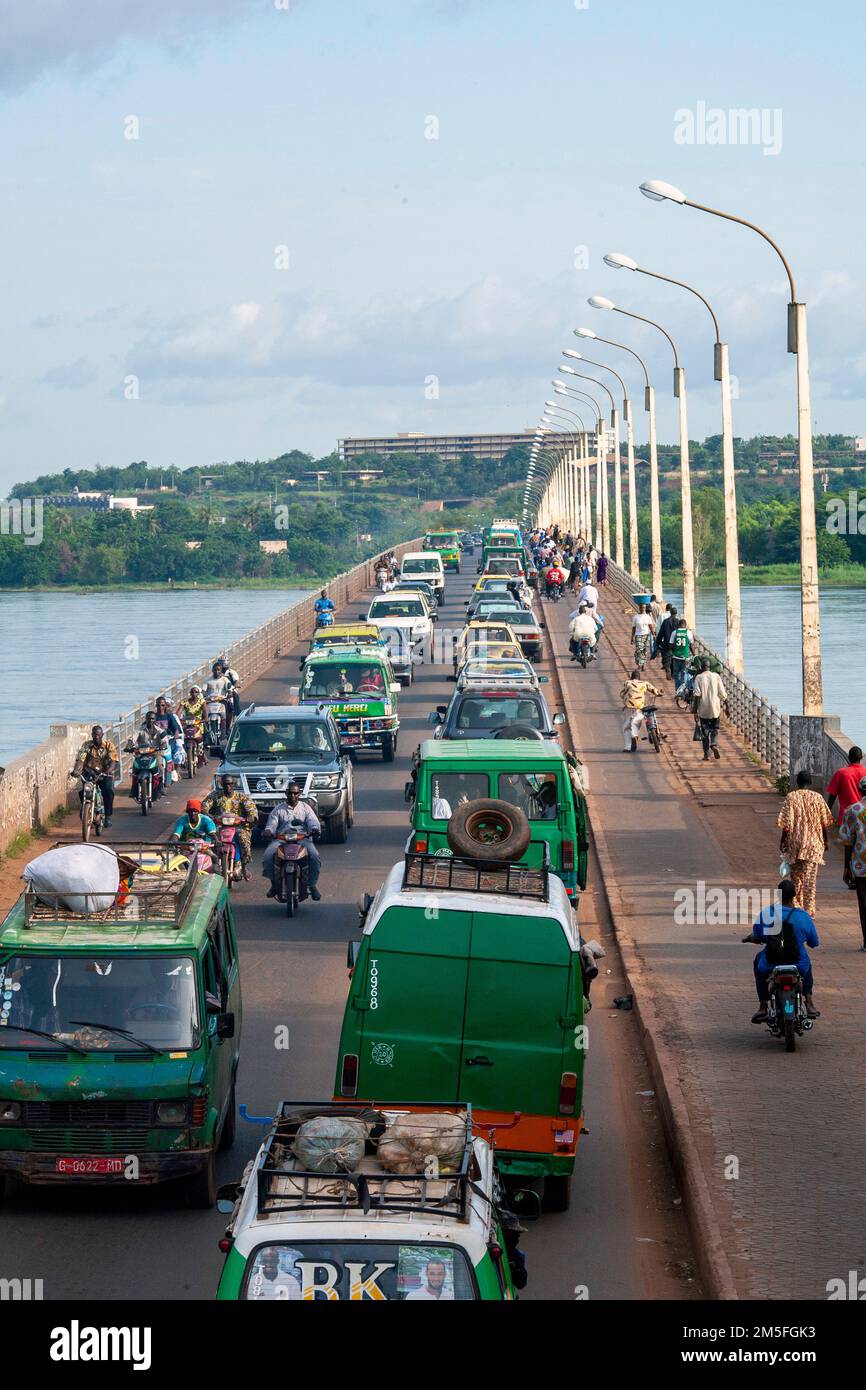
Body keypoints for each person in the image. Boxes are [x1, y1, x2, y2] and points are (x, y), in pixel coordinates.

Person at [745, 878, 819, 1023]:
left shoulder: (767, 913)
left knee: (758, 962)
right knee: (807, 963)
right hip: (797, 962)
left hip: (771, 961)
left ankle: (762, 1006)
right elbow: (814, 942)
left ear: (778, 895)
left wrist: (751, 938)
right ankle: (809, 1002)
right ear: (795, 894)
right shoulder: (803, 916)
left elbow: (758, 935)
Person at [777, 770, 834, 918]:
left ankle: (796, 908)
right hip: (814, 846)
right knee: (810, 880)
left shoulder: (791, 797)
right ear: (810, 783)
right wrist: (826, 841)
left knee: (796, 879)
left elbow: (786, 824)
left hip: (795, 844)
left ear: (797, 782)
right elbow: (824, 823)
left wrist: (783, 840)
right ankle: (809, 912)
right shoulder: (818, 798)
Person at [262, 781, 322, 900]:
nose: (292, 796)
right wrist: (268, 831)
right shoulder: (278, 809)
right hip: (281, 839)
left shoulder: (306, 808)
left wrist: (314, 829)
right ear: (286, 793)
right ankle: (274, 884)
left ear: (299, 794)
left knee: (314, 855)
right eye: (290, 793)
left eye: (295, 793)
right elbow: (271, 825)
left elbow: (313, 822)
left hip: (302, 839)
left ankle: (313, 885)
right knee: (268, 855)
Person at [203, 775, 259, 881]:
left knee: (243, 838)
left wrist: (250, 817)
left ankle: (244, 866)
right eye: (225, 784)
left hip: (239, 826)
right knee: (209, 840)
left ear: (233, 784)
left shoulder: (242, 797)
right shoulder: (215, 796)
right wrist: (207, 814)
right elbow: (205, 805)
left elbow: (252, 809)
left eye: (229, 784)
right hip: (219, 826)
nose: (227, 786)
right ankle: (210, 864)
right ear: (221, 785)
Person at [71, 724, 119, 828]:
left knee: (108, 791)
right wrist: (76, 770)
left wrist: (109, 771)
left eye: (98, 735)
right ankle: (85, 809)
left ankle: (108, 816)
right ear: (92, 735)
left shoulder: (108, 745)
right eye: (94, 734)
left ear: (102, 734)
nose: (96, 737)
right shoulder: (86, 745)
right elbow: (80, 759)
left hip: (104, 773)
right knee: (84, 790)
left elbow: (113, 761)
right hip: (89, 772)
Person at [839, 776, 866, 948]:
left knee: (864, 904)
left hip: (860, 865)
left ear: (860, 790)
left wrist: (846, 867)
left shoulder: (853, 810)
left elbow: (848, 841)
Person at [691, 657, 729, 761]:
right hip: (715, 709)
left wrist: (694, 711)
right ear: (710, 667)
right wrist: (727, 707)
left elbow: (697, 695)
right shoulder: (716, 676)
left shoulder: (698, 678)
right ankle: (714, 743)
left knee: (704, 733)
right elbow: (722, 693)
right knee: (714, 729)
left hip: (703, 709)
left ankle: (706, 754)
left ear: (701, 668)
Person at [620, 669, 663, 752]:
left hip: (629, 707)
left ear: (631, 677)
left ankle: (627, 747)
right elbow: (655, 691)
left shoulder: (627, 683)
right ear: (639, 678)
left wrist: (624, 699)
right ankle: (634, 735)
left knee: (626, 727)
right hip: (639, 707)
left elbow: (622, 694)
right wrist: (659, 693)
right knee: (636, 723)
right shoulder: (644, 683)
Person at [827, 746, 866, 826]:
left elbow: (832, 797)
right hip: (863, 819)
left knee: (845, 838)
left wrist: (827, 814)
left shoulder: (841, 773)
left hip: (846, 819)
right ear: (861, 757)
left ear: (849, 757)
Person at [153, 695, 184, 778]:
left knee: (174, 752)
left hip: (167, 741)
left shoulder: (169, 716)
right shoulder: (153, 717)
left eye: (162, 705)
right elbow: (145, 728)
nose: (160, 707)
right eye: (158, 705)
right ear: (156, 706)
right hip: (155, 742)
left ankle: (174, 771)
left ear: (165, 706)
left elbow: (175, 728)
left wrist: (176, 735)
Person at [203, 662, 233, 742]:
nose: (217, 671)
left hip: (222, 700)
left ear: (221, 671)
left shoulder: (225, 680)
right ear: (212, 670)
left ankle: (226, 729)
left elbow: (229, 689)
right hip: (209, 701)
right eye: (215, 670)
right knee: (202, 713)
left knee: (229, 710)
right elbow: (203, 690)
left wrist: (229, 694)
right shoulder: (208, 680)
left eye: (218, 670)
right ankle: (204, 732)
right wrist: (202, 695)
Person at [670, 618, 694, 693]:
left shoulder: (674, 632)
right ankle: (684, 691)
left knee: (676, 674)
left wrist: (675, 649)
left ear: (678, 625)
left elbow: (670, 644)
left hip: (676, 656)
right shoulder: (688, 632)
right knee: (684, 673)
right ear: (685, 625)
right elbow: (691, 644)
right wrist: (694, 654)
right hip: (685, 657)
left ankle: (677, 691)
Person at [655, 605, 678, 681]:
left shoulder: (665, 621)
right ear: (676, 613)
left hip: (666, 643)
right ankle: (672, 673)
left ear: (670, 612)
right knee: (674, 658)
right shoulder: (678, 622)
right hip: (675, 644)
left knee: (667, 658)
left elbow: (661, 633)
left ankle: (667, 668)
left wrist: (658, 641)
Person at [631, 603, 655, 671]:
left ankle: (642, 665)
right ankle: (639, 665)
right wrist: (632, 637)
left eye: (644, 608)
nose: (643, 609)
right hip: (638, 635)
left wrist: (653, 634)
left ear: (645, 609)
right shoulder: (636, 617)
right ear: (639, 608)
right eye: (641, 608)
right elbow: (633, 628)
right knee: (639, 650)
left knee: (644, 651)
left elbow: (650, 626)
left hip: (646, 635)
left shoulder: (647, 617)